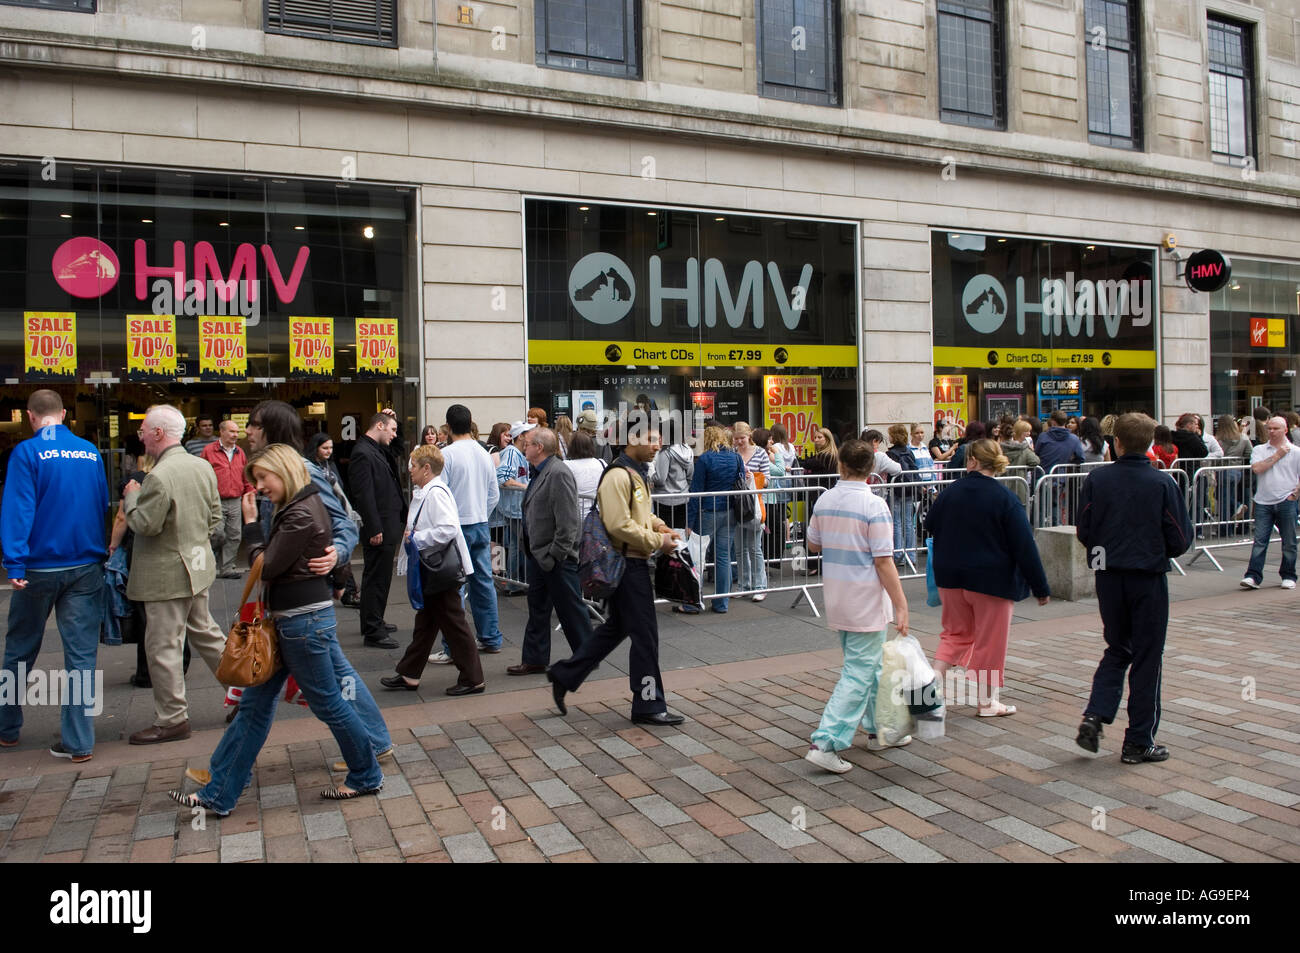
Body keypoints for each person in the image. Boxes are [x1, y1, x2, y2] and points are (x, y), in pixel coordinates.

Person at [169, 445, 386, 816]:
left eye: (263, 478)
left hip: (302, 624)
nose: (259, 487)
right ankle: (219, 793)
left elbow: (266, 566)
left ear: (283, 471)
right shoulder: (299, 505)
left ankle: (366, 774)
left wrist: (252, 527)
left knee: (327, 703)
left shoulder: (299, 511)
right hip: (295, 622)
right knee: (256, 707)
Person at [547, 420, 685, 726]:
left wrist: (659, 525)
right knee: (645, 636)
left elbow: (638, 513)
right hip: (627, 565)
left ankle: (565, 674)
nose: (658, 445)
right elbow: (618, 524)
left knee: (617, 628)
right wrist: (657, 540)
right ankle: (648, 704)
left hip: (631, 563)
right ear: (632, 439)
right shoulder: (619, 475)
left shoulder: (634, 473)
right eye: (652, 438)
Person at [1076, 413, 1192, 764]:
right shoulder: (1161, 483)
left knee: (1117, 647)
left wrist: (1103, 554)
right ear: (1150, 444)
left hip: (1109, 573)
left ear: (1117, 443)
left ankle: (1096, 713)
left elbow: (1085, 529)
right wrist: (1156, 551)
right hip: (1147, 574)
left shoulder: (1098, 479)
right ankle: (1139, 740)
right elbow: (1181, 536)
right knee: (1147, 656)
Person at [0, 390, 110, 763]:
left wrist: (14, 563)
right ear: (64, 414)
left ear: (30, 416)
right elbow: (101, 502)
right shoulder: (89, 452)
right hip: (85, 564)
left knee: (20, 648)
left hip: (39, 567)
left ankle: (7, 727)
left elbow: (19, 508)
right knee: (81, 656)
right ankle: (79, 742)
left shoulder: (27, 452)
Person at [804, 439, 912, 773]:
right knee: (860, 672)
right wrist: (901, 605)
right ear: (871, 469)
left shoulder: (825, 499)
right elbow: (883, 561)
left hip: (838, 596)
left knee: (868, 667)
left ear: (841, 464)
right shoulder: (874, 505)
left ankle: (881, 728)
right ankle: (827, 741)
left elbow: (813, 544)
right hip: (865, 599)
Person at [122, 405, 227, 745]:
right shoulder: (201, 466)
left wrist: (131, 499)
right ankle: (245, 694)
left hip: (165, 576)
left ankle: (172, 719)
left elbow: (145, 524)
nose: (141, 437)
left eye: (143, 431)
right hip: (197, 567)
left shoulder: (158, 476)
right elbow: (215, 518)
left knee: (164, 647)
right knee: (207, 633)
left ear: (157, 433)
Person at [924, 439, 1050, 717]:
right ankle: (986, 702)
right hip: (992, 580)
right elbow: (1024, 545)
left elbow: (929, 523)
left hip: (950, 576)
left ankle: (927, 690)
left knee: (954, 635)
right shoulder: (1005, 498)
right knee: (990, 642)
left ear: (972, 461)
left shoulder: (950, 492)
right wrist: (1040, 586)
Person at [383, 444, 483, 694]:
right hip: (435, 567)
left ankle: (473, 678)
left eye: (413, 465)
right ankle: (409, 673)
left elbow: (448, 528)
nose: (410, 470)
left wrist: (416, 538)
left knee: (452, 623)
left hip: (439, 569)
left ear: (426, 468)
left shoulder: (435, 493)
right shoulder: (431, 491)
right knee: (428, 623)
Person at [508, 428, 593, 676]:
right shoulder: (541, 471)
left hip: (554, 558)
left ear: (539, 448)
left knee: (571, 610)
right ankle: (534, 658)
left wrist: (555, 555)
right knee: (538, 608)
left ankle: (588, 656)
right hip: (539, 555)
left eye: (527, 443)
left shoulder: (558, 473)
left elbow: (568, 522)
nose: (524, 446)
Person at [436, 404, 504, 660]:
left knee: (453, 587)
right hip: (480, 523)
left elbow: (440, 495)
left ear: (448, 427)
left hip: (456, 526)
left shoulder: (447, 455)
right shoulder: (484, 453)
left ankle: (453, 647)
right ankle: (490, 637)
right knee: (483, 582)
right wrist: (480, 514)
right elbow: (494, 493)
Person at [348, 412, 407, 648]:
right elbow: (363, 495)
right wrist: (374, 528)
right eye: (392, 429)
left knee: (381, 578)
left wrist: (397, 423)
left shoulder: (376, 449)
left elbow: (396, 450)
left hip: (386, 523)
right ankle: (373, 630)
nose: (394, 434)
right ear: (379, 426)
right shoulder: (362, 453)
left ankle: (375, 621)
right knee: (376, 579)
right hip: (379, 526)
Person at [687, 426, 743, 614]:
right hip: (730, 510)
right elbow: (740, 482)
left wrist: (689, 521)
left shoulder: (705, 459)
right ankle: (721, 603)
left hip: (708, 511)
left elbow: (696, 492)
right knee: (723, 557)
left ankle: (692, 602)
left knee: (697, 556)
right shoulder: (736, 458)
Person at [1240, 416, 1300, 591]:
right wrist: (1277, 455)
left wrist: (1295, 494)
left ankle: (1288, 575)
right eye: (1269, 428)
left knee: (1289, 541)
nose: (1272, 431)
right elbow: (1257, 468)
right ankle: (1253, 576)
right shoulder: (1260, 449)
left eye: (1276, 428)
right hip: (1263, 501)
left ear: (1285, 430)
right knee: (1260, 541)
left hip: (1286, 500)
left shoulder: (1296, 451)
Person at [201, 420, 254, 579]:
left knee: (235, 535)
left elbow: (245, 474)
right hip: (215, 499)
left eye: (237, 432)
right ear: (222, 432)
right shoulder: (209, 450)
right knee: (217, 534)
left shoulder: (240, 452)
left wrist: (250, 491)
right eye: (232, 431)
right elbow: (202, 475)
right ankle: (209, 564)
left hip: (236, 499)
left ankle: (227, 568)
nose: (235, 435)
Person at [491, 422, 532, 595]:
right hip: (513, 507)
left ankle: (515, 582)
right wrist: (527, 487)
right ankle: (515, 583)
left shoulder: (518, 453)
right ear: (520, 436)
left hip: (516, 507)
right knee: (518, 545)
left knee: (517, 544)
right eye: (528, 433)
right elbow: (503, 478)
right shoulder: (511, 452)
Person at [732, 421, 770, 602]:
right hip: (738, 505)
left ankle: (760, 586)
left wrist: (753, 477)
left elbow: (768, 480)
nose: (739, 442)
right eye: (736, 438)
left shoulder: (761, 453)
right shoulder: (732, 453)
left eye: (742, 438)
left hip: (754, 505)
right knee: (739, 549)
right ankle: (744, 585)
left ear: (749, 436)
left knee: (755, 548)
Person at [884, 424, 919, 567]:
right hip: (909, 489)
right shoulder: (909, 451)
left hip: (896, 490)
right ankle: (911, 554)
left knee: (896, 523)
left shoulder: (891, 454)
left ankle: (899, 555)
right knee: (909, 522)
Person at [651, 419, 694, 532]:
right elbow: (690, 476)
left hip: (664, 500)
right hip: (683, 498)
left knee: (665, 533)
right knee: (679, 534)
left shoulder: (665, 452)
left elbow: (660, 479)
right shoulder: (688, 450)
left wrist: (650, 475)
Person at [566, 431, 606, 522]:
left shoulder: (566, 466)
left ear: (571, 447)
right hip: (599, 517)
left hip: (575, 519)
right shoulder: (602, 463)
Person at [999, 420, 1041, 505]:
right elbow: (1036, 461)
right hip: (1019, 486)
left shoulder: (999, 448)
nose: (1029, 433)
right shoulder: (1024, 449)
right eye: (1027, 431)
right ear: (1020, 432)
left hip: (1001, 484)